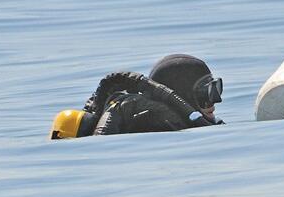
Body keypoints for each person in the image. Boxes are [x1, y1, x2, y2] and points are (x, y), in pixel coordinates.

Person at [50, 54, 224, 139]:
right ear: (182, 94)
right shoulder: (158, 123)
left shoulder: (188, 124)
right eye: (206, 93)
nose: (216, 101)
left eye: (216, 89)